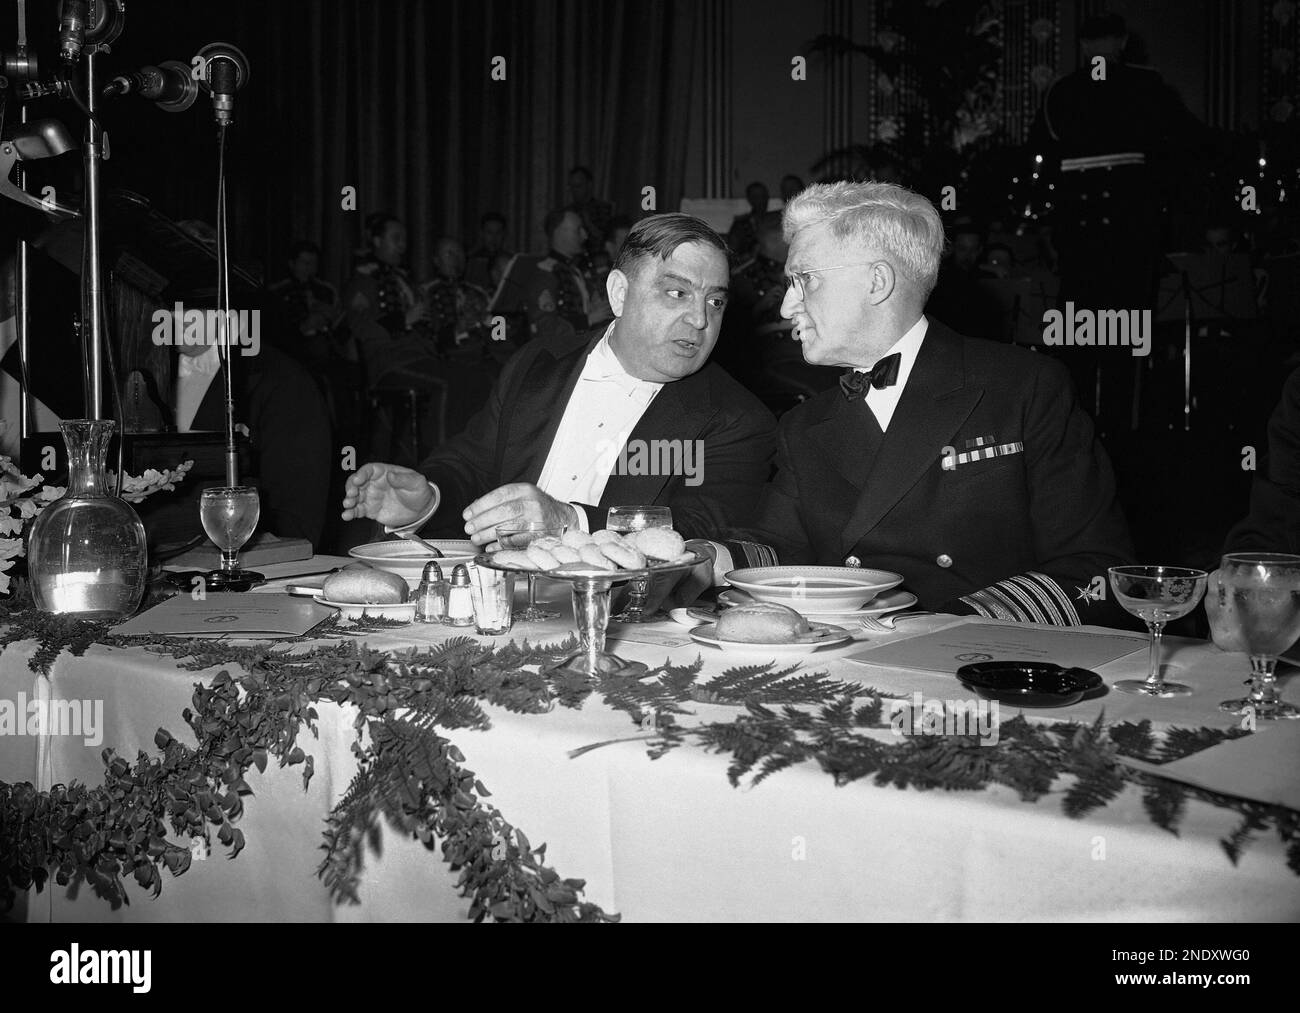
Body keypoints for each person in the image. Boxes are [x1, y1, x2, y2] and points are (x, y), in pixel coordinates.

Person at [701, 181, 1135, 626]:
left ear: (877, 281)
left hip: (981, 663)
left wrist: (950, 626)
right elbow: (776, 546)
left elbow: (1095, 568)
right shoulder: (803, 423)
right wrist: (695, 558)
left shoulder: (1022, 387)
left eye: (804, 279)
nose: (787, 305)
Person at [341, 213, 777, 545]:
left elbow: (696, 532)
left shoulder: (736, 418)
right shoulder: (540, 362)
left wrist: (568, 522)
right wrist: (428, 500)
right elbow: (474, 463)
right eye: (676, 293)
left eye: (715, 301)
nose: (700, 319)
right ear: (619, 294)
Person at [490, 207, 595, 343]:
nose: (585, 235)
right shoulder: (545, 273)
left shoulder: (575, 271)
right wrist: (588, 320)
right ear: (560, 232)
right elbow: (545, 327)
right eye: (578, 230)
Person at [567, 165, 616, 256]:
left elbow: (604, 240)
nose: (574, 191)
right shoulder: (568, 212)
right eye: (571, 187)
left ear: (589, 185)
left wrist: (586, 220)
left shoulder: (604, 208)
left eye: (578, 186)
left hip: (597, 259)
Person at [465, 211, 512, 291]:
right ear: (482, 233)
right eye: (489, 233)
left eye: (498, 233)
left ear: (504, 234)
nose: (494, 238)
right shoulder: (471, 262)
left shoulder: (511, 261)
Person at [727, 182, 770, 259]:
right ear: (749, 199)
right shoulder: (741, 224)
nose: (761, 200)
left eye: (763, 196)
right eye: (756, 197)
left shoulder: (775, 221)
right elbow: (731, 251)